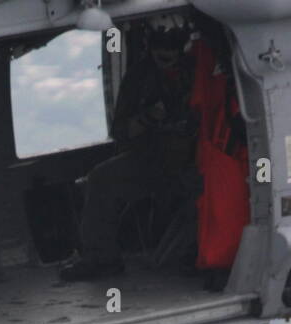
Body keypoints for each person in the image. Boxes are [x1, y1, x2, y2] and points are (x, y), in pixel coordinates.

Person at [60, 16, 197, 282]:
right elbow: (121, 130)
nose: (165, 53)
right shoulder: (139, 76)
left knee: (210, 189)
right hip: (151, 158)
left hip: (196, 158)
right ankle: (102, 258)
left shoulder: (198, 71)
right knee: (100, 178)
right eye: (159, 45)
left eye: (171, 46)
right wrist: (148, 118)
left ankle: (202, 256)